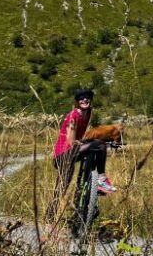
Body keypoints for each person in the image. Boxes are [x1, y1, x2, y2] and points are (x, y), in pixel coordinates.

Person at [46, 88, 117, 222]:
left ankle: (53, 215)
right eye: (81, 98)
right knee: (99, 145)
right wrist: (90, 142)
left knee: (62, 187)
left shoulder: (88, 113)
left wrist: (89, 142)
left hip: (71, 153)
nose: (84, 100)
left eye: (87, 97)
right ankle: (101, 179)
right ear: (77, 102)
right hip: (63, 155)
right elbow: (71, 142)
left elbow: (80, 139)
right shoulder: (74, 116)